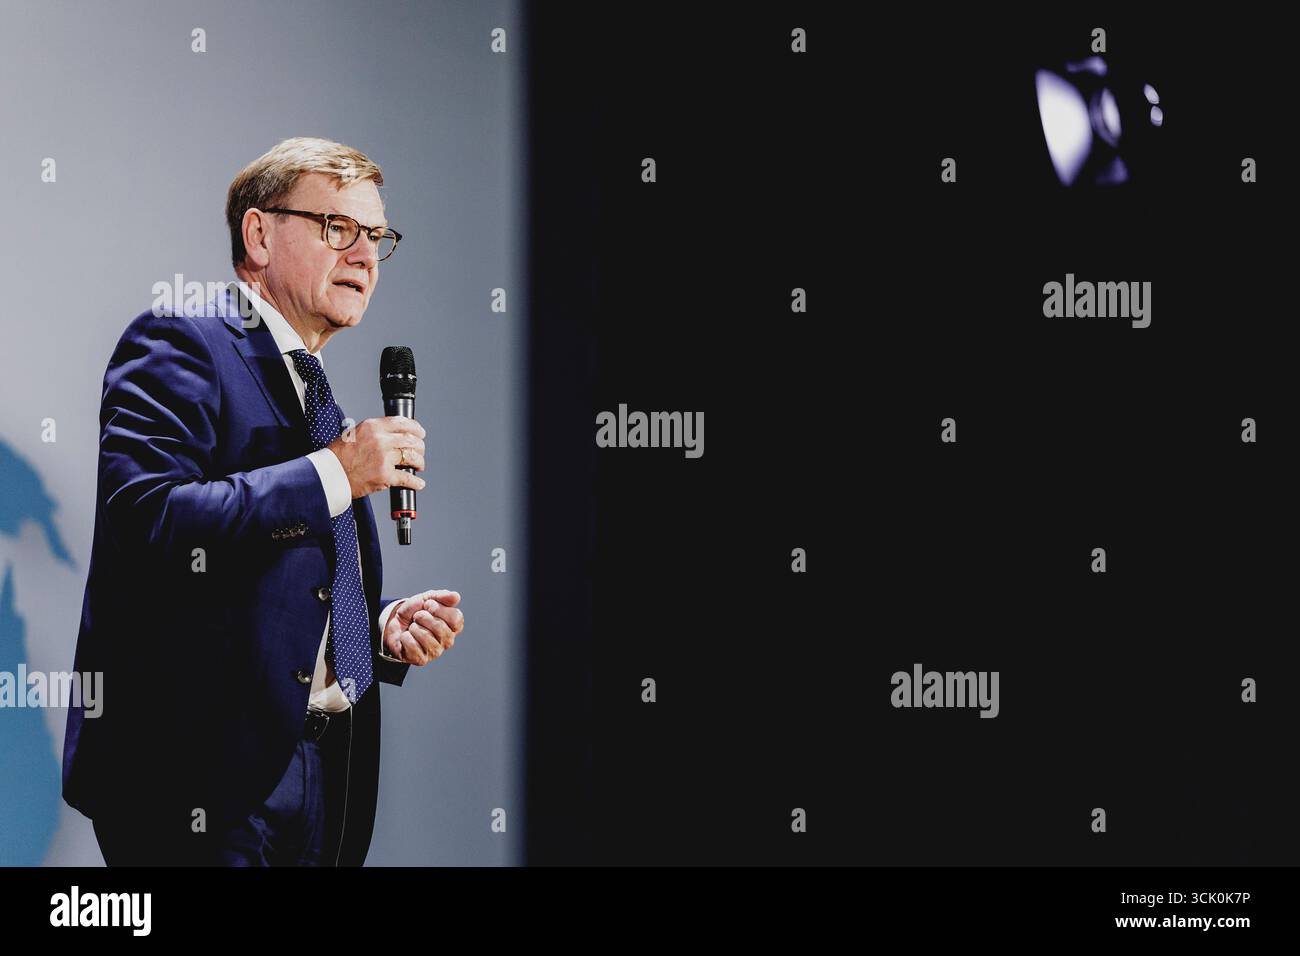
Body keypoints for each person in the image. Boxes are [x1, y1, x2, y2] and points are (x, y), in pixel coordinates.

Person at [61, 137, 466, 866]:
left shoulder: (311, 389)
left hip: (322, 771)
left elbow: (265, 575)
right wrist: (336, 471)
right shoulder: (182, 340)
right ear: (259, 234)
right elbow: (152, 517)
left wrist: (366, 633)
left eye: (376, 237)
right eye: (337, 228)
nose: (365, 256)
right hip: (196, 778)